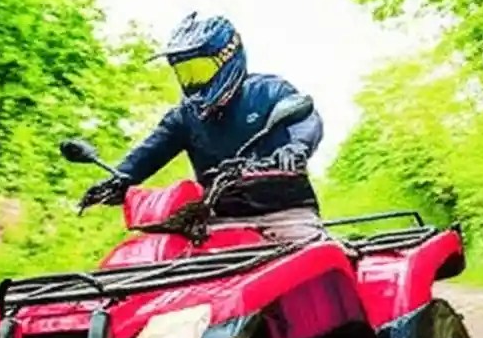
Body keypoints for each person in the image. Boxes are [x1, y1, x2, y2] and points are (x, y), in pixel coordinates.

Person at [80, 12, 327, 242]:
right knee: (177, 266)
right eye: (185, 73)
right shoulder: (185, 117)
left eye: (199, 70)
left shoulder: (269, 91)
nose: (193, 82)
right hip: (219, 219)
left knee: (311, 254)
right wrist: (119, 180)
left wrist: (297, 147)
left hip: (287, 213)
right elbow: (150, 151)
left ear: (227, 57)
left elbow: (306, 119)